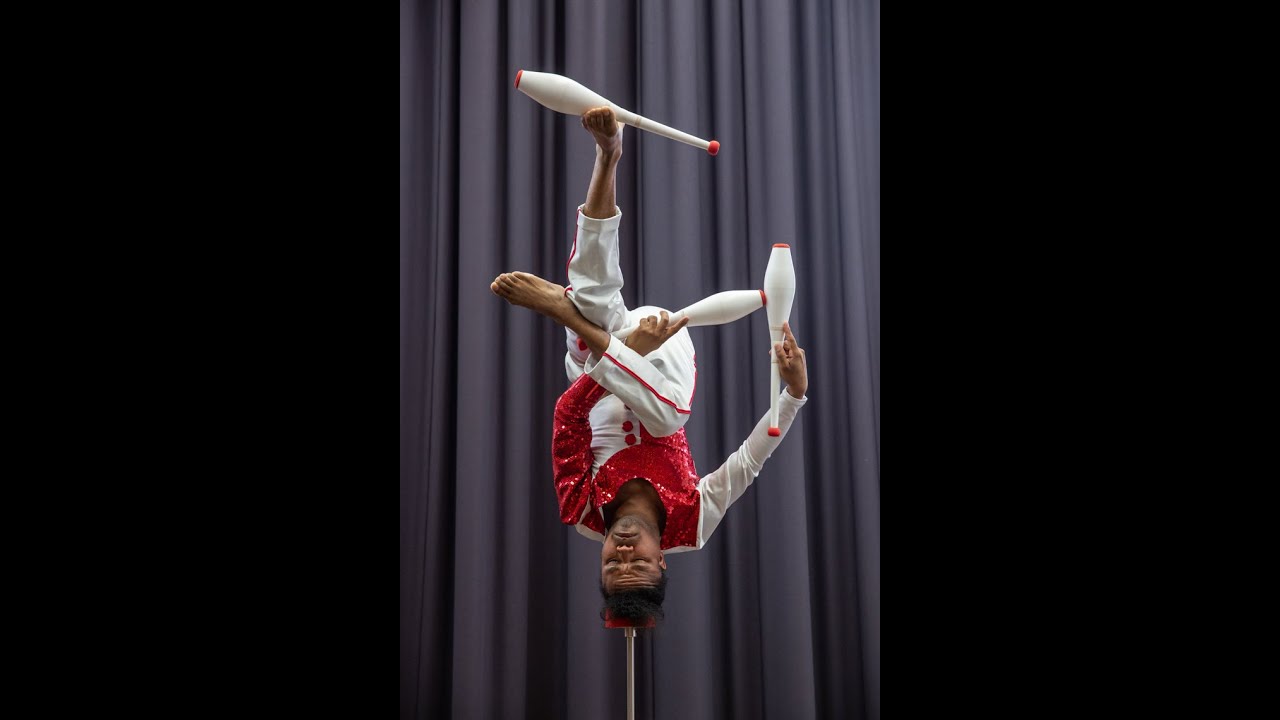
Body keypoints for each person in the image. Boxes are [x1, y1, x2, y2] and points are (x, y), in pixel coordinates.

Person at [490, 107, 808, 624]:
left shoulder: (582, 510)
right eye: (638, 564)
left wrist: (609, 349)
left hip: (594, 374)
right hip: (665, 360)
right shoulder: (693, 522)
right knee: (670, 416)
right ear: (662, 559)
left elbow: (568, 418)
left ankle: (607, 155)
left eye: (613, 566)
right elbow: (749, 463)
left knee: (594, 299)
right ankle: (566, 311)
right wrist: (792, 396)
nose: (623, 553)